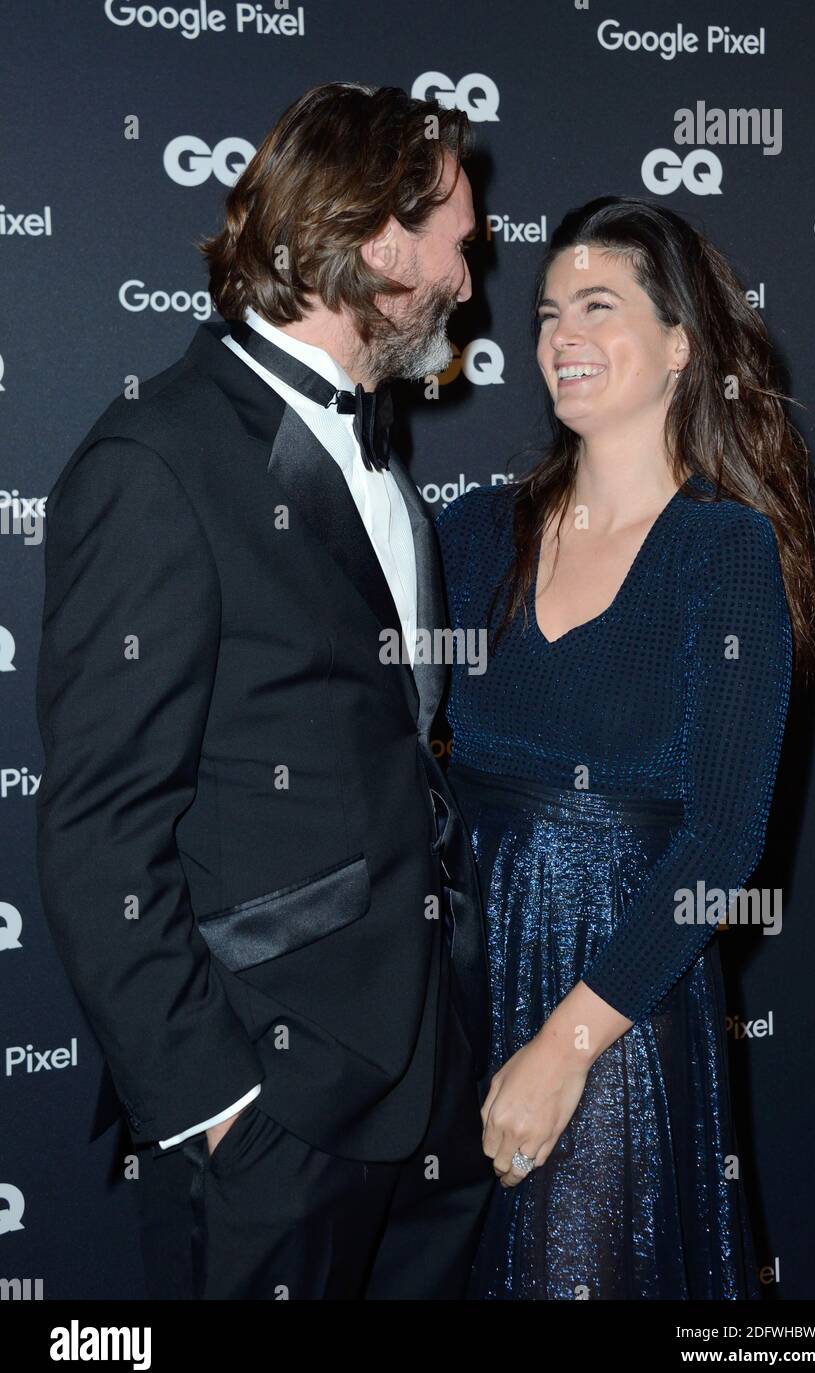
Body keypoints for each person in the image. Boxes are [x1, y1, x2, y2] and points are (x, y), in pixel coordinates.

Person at [34, 82, 495, 1300]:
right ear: (377, 238)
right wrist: (220, 1110)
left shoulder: (380, 462)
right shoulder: (160, 461)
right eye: (456, 242)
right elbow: (99, 835)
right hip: (275, 1116)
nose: (467, 281)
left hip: (428, 1089)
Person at [435, 195, 815, 1300]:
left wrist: (565, 1050)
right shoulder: (473, 530)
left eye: (596, 308)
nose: (558, 335)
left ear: (678, 346)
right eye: (549, 311)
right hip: (456, 983)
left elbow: (719, 843)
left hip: (616, 1002)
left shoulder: (723, 553)